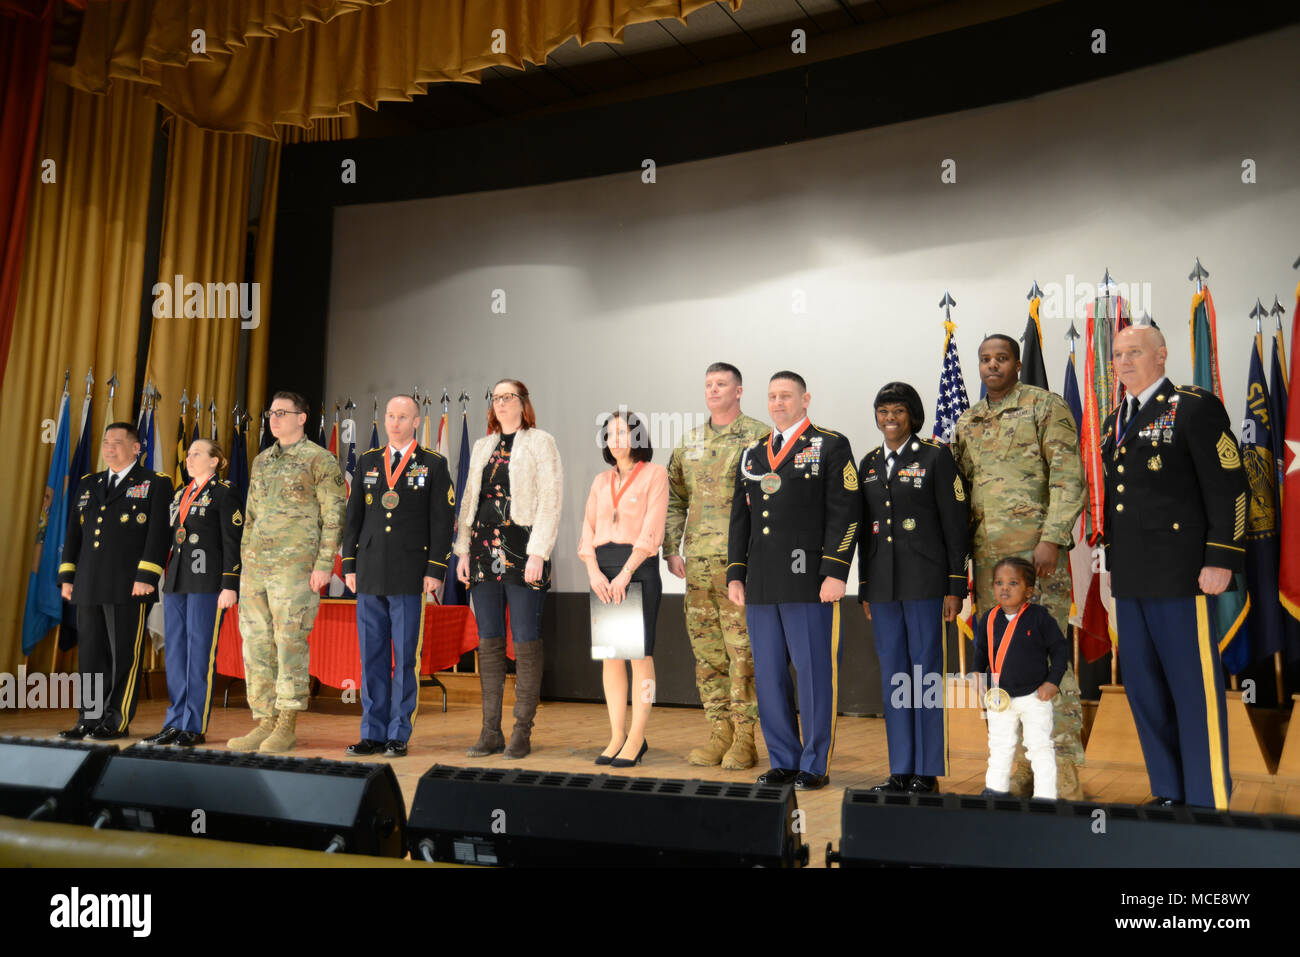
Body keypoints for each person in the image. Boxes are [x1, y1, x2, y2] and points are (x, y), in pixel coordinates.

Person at [1101, 324, 1245, 810]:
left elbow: (1230, 486)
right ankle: (1168, 791)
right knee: (1143, 688)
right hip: (1133, 577)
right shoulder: (1114, 418)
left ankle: (1207, 799)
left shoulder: (1194, 406)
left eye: (1133, 352)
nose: (1122, 362)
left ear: (1161, 355)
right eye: (1117, 354)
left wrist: (1221, 557)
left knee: (1192, 688)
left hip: (1184, 574)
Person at [952, 334, 1086, 800]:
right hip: (991, 567)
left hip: (1037, 562)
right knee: (1002, 665)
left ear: (1017, 362)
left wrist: (1053, 537)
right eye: (985, 358)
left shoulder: (1044, 406)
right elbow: (961, 496)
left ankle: (1063, 763)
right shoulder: (967, 421)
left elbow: (1069, 476)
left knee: (1049, 663)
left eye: (1001, 358)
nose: (993, 366)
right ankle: (1019, 765)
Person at [727, 371, 861, 790]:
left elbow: (847, 510)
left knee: (814, 674)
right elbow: (740, 519)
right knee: (768, 676)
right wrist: (736, 573)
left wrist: (836, 570)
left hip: (810, 583)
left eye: (786, 395)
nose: (778, 402)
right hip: (763, 583)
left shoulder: (830, 444)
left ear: (806, 399)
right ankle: (783, 759)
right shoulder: (752, 454)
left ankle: (814, 764)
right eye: (772, 396)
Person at [858, 382, 969, 794]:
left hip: (926, 584)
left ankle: (927, 769)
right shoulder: (868, 463)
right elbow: (866, 535)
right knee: (894, 677)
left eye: (898, 411)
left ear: (913, 415)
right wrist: (865, 588)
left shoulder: (936, 457)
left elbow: (956, 525)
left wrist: (955, 584)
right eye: (883, 411)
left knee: (925, 676)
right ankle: (900, 768)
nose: (890, 419)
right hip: (884, 588)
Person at [228, 391, 346, 753]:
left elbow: (335, 515)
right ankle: (264, 721)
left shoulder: (320, 460)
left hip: (295, 570)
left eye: (282, 413)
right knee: (257, 643)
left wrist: (325, 564)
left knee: (289, 643)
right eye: (270, 413)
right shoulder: (263, 460)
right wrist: (245, 561)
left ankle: (286, 723)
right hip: (257, 569)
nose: (274, 419)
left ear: (302, 418)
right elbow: (250, 516)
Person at [664, 362, 768, 769]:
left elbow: (769, 502)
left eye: (721, 384)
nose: (713, 390)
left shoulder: (759, 437)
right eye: (708, 384)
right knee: (707, 655)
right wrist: (672, 548)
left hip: (740, 566)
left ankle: (745, 738)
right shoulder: (689, 442)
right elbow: (675, 498)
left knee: (743, 653)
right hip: (698, 568)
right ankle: (718, 732)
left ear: (739, 390)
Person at [341, 395, 455, 758]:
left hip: (410, 573)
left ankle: (397, 733)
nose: (394, 422)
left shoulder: (433, 464)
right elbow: (353, 517)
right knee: (371, 656)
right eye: (390, 416)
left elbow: (441, 521)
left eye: (402, 417)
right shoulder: (368, 461)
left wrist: (435, 570)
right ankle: (372, 732)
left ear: (416, 422)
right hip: (370, 572)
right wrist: (349, 564)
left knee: (405, 658)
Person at [455, 379, 563, 759]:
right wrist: (463, 550)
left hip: (523, 548)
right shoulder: (483, 446)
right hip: (483, 549)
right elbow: (470, 499)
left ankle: (522, 730)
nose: (501, 403)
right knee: (488, 641)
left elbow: (551, 498)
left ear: (522, 403)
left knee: (526, 639)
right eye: (496, 398)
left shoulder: (540, 441)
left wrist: (539, 552)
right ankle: (490, 732)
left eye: (508, 397)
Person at [57, 423, 173, 739]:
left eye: (118, 443)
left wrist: (147, 576)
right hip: (88, 582)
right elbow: (74, 533)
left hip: (129, 584)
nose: (110, 448)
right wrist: (68, 576)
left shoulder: (155, 483)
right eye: (106, 442)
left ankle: (115, 719)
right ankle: (89, 719)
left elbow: (159, 534)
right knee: (91, 655)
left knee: (122, 655)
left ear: (137, 448)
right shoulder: (89, 483)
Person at [579, 410, 669, 768]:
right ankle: (616, 734)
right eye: (609, 433)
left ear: (637, 437)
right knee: (610, 656)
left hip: (637, 569)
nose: (616, 438)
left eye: (623, 432)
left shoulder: (655, 474)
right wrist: (593, 572)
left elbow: (652, 529)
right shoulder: (600, 480)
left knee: (638, 656)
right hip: (602, 571)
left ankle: (637, 737)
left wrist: (626, 573)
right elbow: (587, 530)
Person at [144, 439, 241, 747]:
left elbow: (232, 541)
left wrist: (229, 584)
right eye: (188, 454)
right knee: (175, 654)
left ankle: (193, 724)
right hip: (176, 582)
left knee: (199, 653)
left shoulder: (225, 493)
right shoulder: (179, 494)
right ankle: (173, 722)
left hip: (207, 586)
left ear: (215, 461)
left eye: (197, 453)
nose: (189, 458)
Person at [971, 557, 1068, 801]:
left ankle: (1045, 797)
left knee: (1039, 747)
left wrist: (1052, 681)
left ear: (1029, 591)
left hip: (1035, 695)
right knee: (999, 747)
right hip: (999, 698)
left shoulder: (1039, 617)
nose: (1004, 588)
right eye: (999, 582)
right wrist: (976, 673)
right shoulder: (988, 618)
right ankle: (995, 790)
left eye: (1013, 583)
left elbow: (1060, 650)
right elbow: (981, 651)